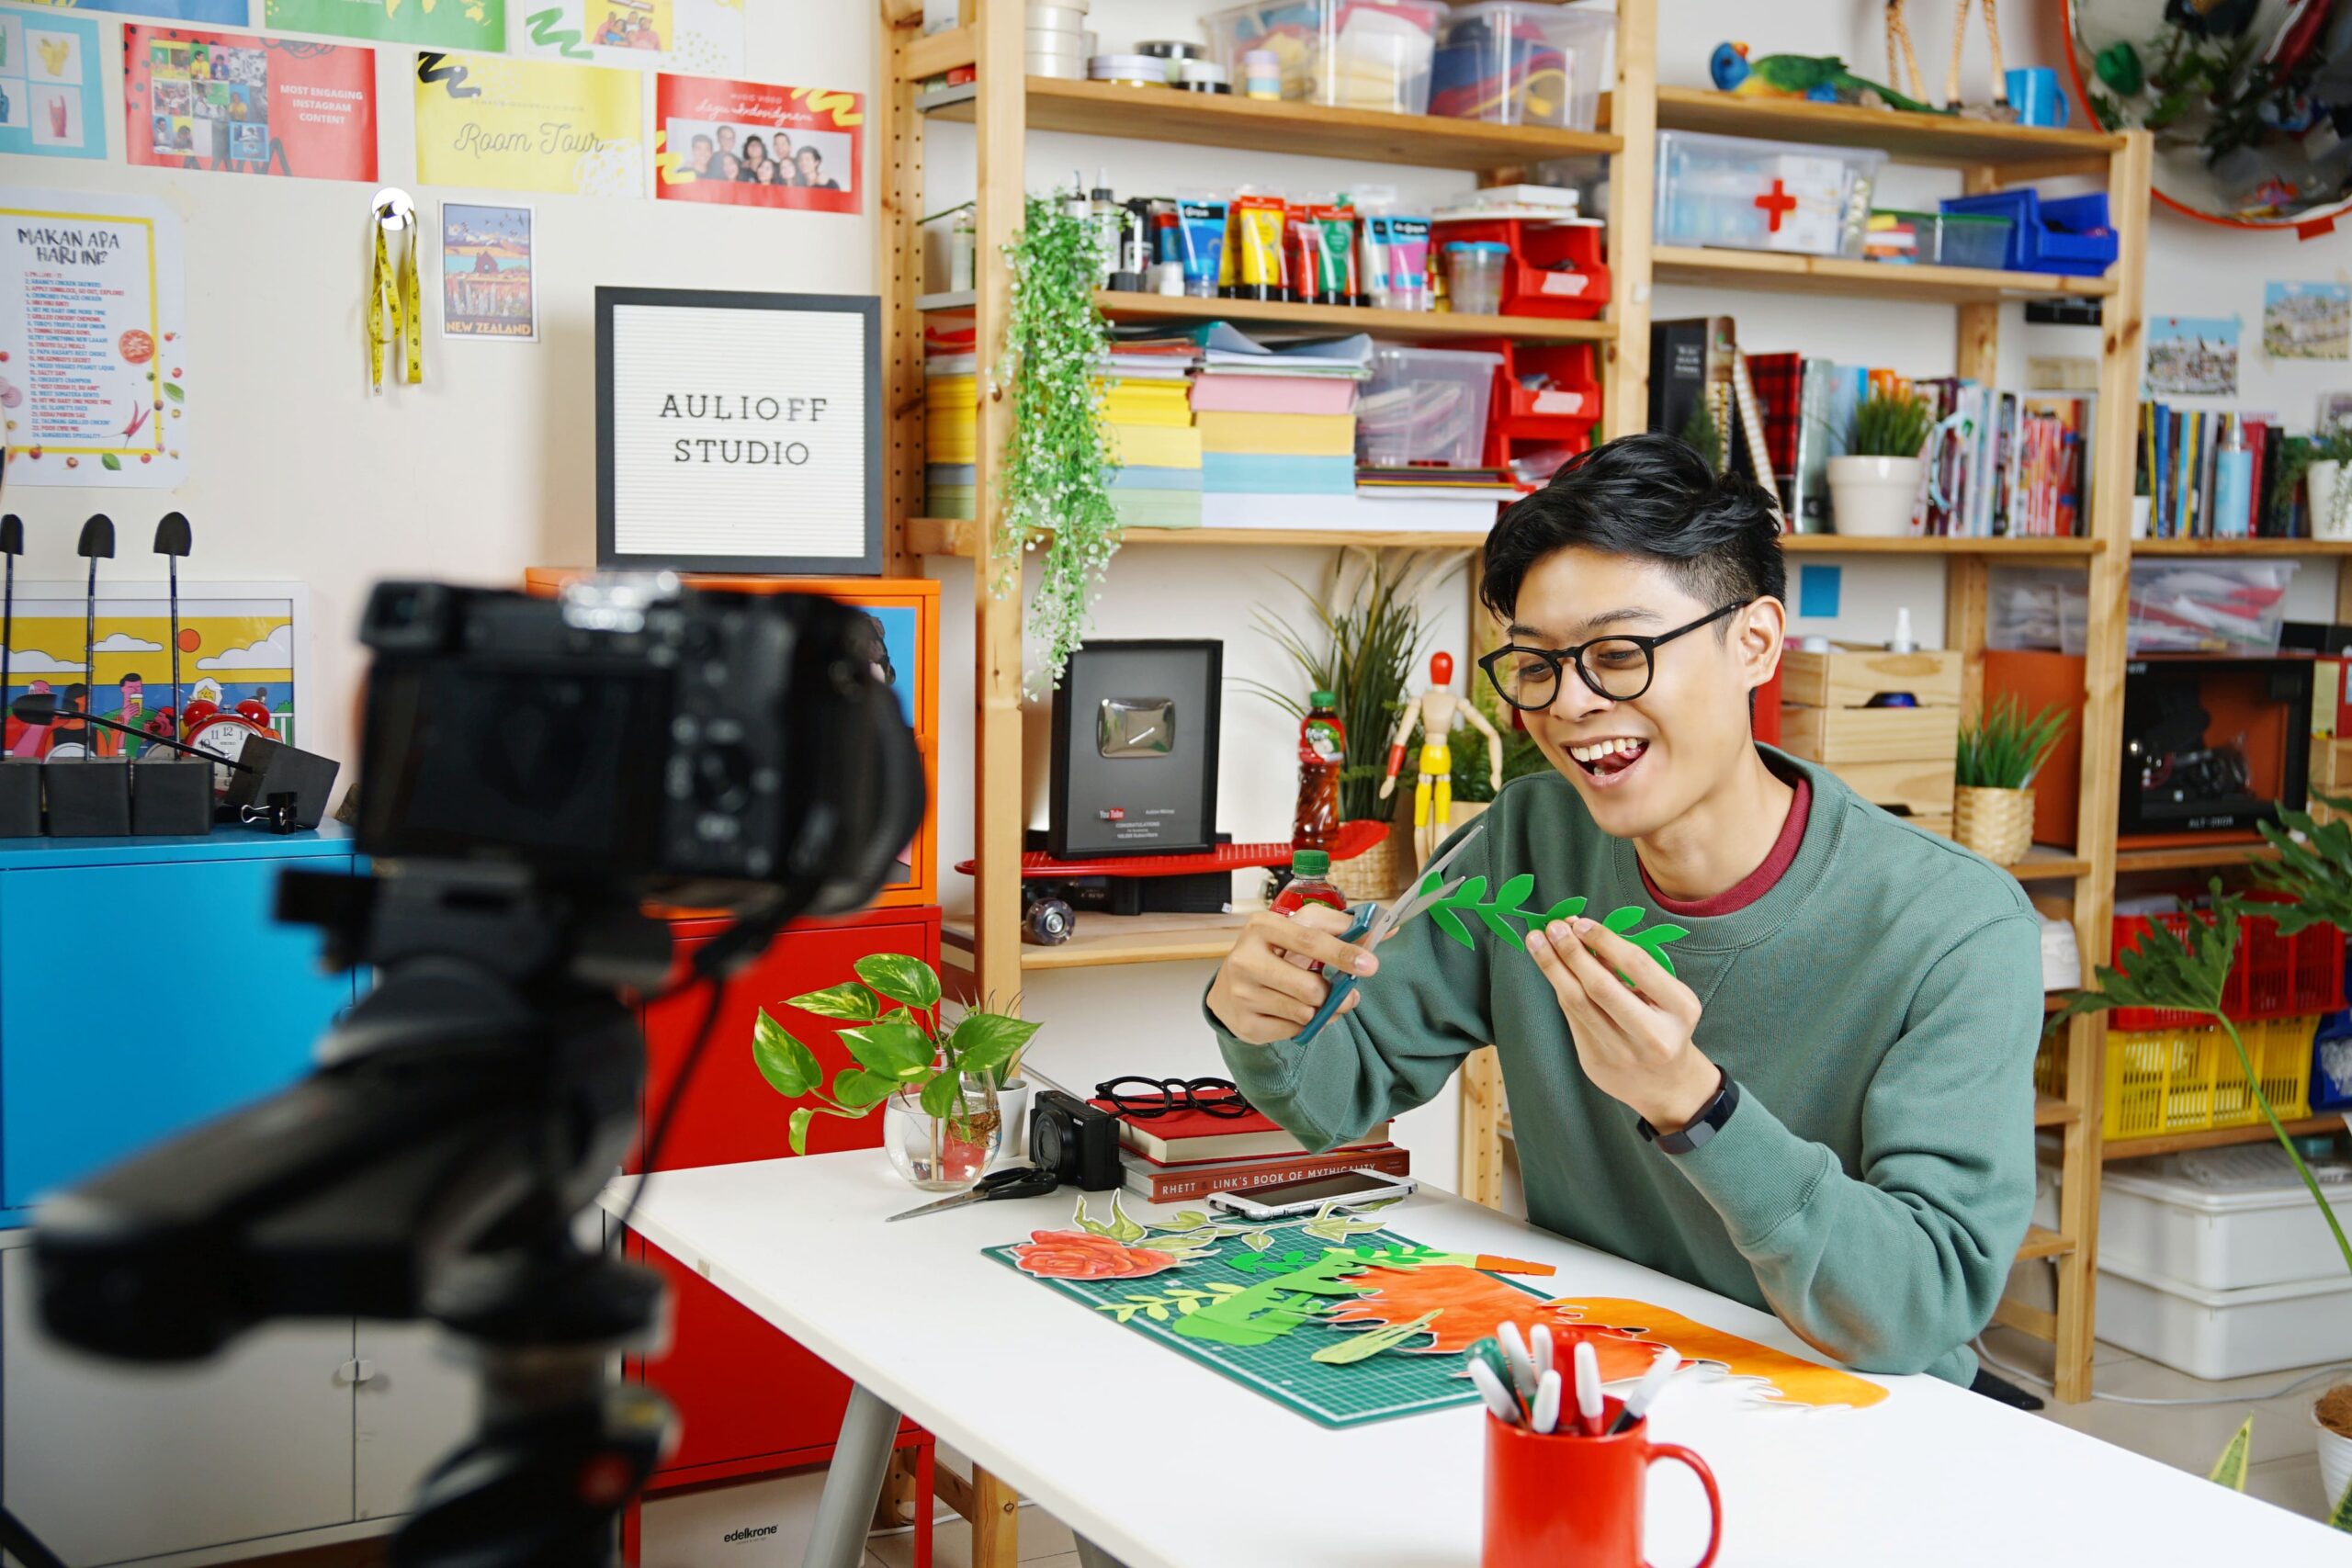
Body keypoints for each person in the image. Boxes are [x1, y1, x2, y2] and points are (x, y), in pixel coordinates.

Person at [1204, 433, 2043, 1388]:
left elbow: (1914, 1308)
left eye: (1619, 653)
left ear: (1755, 643)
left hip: (1851, 1417)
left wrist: (1693, 1104)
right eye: (1536, 666)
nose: (1571, 704)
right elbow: (1332, 1092)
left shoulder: (1956, 930)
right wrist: (1262, 1014)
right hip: (1595, 1382)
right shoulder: (1531, 840)